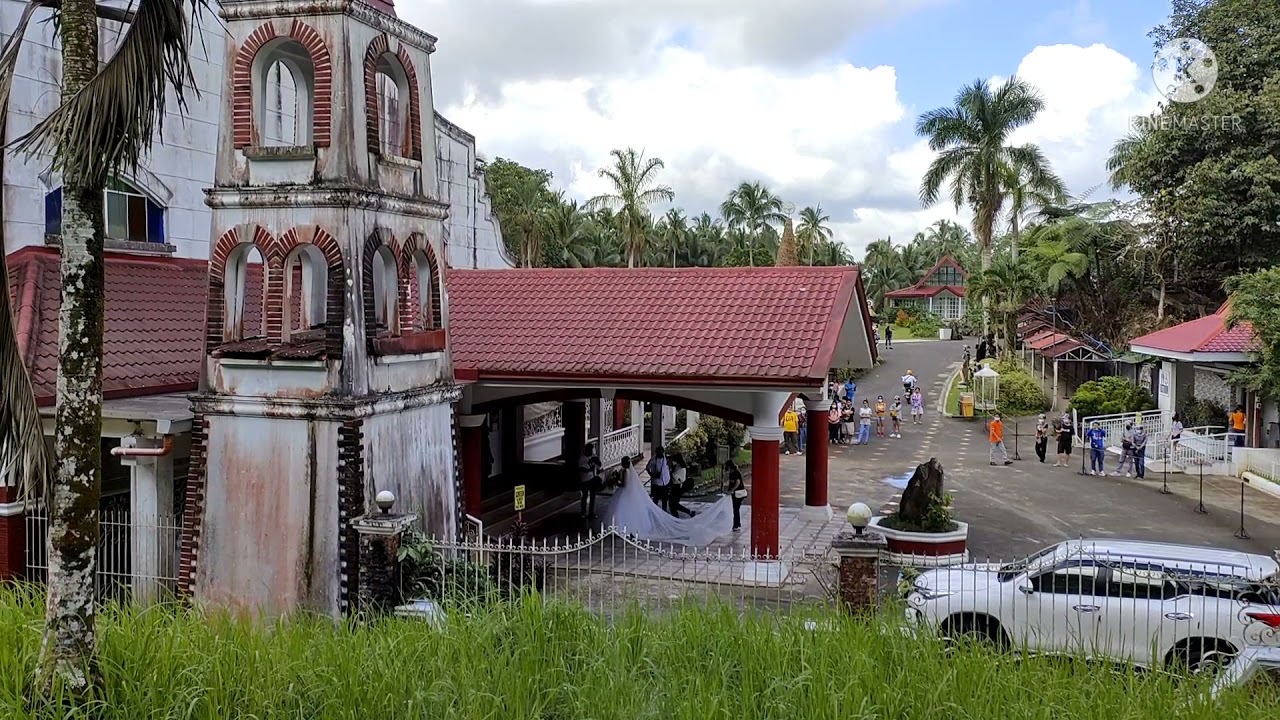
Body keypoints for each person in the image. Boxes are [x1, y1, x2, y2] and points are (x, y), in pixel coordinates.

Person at [603, 455, 734, 545]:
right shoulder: (626, 471)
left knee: (625, 511)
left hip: (627, 492)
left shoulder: (625, 472)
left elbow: (625, 484)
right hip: (628, 493)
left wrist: (616, 482)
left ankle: (623, 528)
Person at [578, 442, 603, 519]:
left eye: (591, 450)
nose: (590, 452)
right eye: (589, 450)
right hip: (584, 480)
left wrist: (596, 461)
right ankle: (583, 512)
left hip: (592, 479)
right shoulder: (582, 458)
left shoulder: (593, 456)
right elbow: (581, 469)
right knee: (584, 496)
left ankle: (591, 512)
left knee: (593, 496)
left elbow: (599, 465)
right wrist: (590, 469)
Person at [725, 460, 747, 531]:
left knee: (736, 508)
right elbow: (731, 483)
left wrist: (732, 490)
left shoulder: (736, 473)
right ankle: (737, 523)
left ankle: (736, 525)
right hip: (735, 493)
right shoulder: (731, 473)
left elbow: (738, 482)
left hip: (739, 493)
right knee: (736, 508)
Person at [646, 446, 670, 512]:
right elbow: (647, 467)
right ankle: (655, 511)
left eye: (661, 452)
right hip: (657, 482)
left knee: (664, 498)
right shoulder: (653, 460)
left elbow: (669, 466)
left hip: (665, 481)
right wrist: (652, 474)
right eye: (659, 452)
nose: (661, 454)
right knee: (656, 498)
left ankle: (664, 511)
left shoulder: (666, 458)